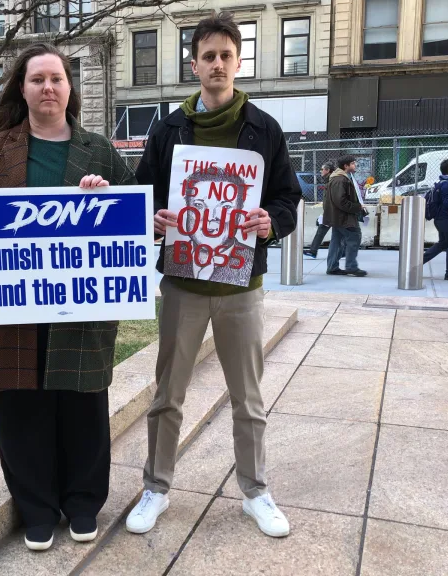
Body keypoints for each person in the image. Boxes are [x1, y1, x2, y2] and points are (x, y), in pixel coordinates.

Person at [0, 42, 135, 552]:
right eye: (38, 79)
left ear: (69, 88)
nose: (48, 87)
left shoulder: (99, 151)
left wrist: (107, 201)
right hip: (15, 306)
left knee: (82, 410)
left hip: (84, 307)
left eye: (57, 78)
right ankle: (35, 508)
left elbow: (138, 222)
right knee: (22, 411)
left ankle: (81, 505)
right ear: (23, 88)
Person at [125, 16, 300, 539]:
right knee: (167, 394)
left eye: (226, 54)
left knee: (248, 398)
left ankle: (255, 491)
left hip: (240, 286)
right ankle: (156, 487)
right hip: (182, 283)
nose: (217, 64)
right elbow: (145, 193)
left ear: (238, 61)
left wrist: (273, 222)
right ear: (194, 63)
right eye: (208, 55)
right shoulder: (170, 128)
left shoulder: (264, 128)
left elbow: (287, 198)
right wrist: (155, 216)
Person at [323, 155, 368, 277]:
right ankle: (351, 266)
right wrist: (357, 207)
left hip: (339, 217)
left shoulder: (344, 177)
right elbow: (340, 201)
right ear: (346, 166)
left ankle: (332, 267)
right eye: (353, 163)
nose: (355, 165)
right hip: (343, 217)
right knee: (354, 236)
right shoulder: (340, 179)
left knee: (336, 241)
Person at [304, 161, 337, 259]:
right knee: (322, 229)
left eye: (322, 169)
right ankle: (313, 251)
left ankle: (343, 251)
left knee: (341, 233)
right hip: (330, 212)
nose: (321, 171)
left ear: (327, 170)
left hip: (334, 212)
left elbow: (335, 198)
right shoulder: (329, 180)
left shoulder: (332, 180)